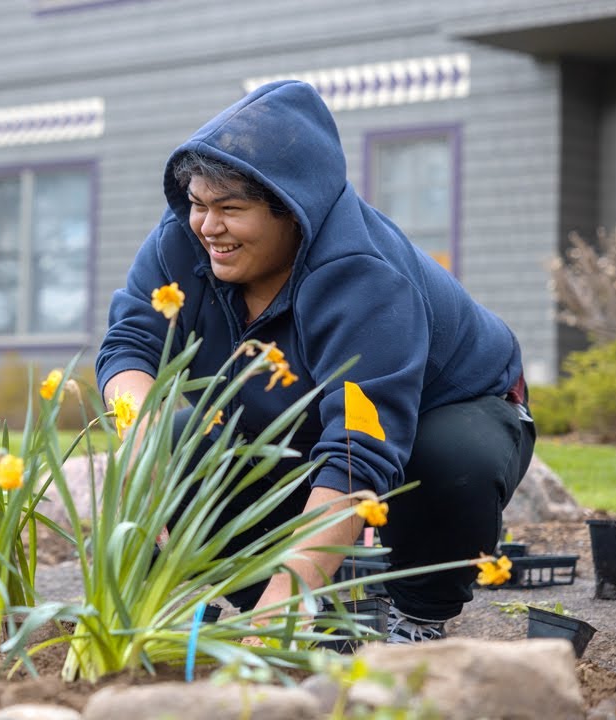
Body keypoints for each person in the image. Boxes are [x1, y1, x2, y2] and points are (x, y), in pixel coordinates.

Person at [96, 80, 535, 643]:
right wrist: (141, 436)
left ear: (292, 211)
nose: (208, 227)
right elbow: (131, 342)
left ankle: (416, 615)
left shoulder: (364, 277)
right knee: (177, 447)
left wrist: (291, 590)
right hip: (292, 417)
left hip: (447, 408)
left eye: (231, 209)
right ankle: (297, 620)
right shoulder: (184, 239)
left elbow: (359, 447)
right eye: (200, 205)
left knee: (450, 455)